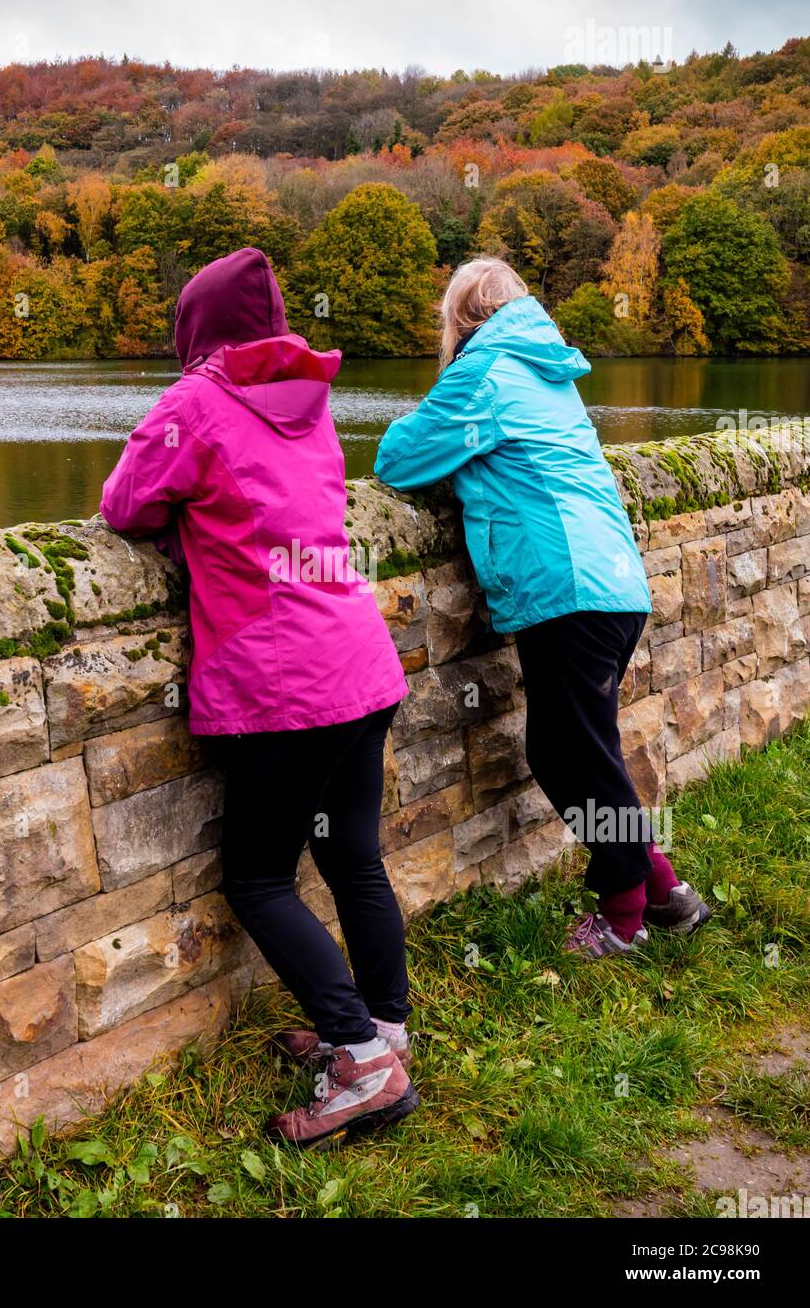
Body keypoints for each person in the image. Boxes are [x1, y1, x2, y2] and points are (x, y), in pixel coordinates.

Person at [101, 247, 417, 1144]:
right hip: (360, 660)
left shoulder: (196, 402)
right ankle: (386, 1030)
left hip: (288, 683)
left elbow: (124, 504)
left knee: (257, 877)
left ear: (196, 333)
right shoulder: (310, 400)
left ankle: (359, 1064)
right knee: (354, 856)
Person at [374, 256, 711, 959]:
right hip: (613, 584)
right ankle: (667, 892)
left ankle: (622, 917)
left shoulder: (484, 373)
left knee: (564, 754)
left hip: (566, 590)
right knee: (591, 753)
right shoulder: (546, 369)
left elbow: (398, 458)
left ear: (462, 320)